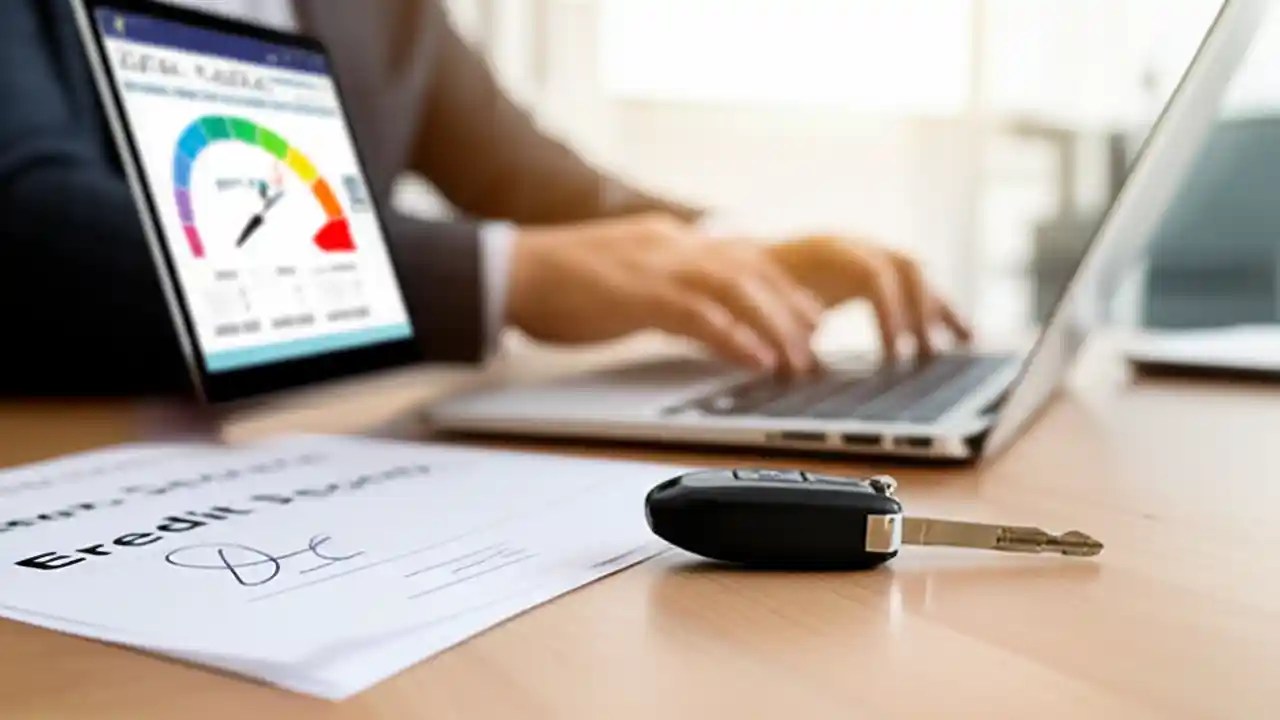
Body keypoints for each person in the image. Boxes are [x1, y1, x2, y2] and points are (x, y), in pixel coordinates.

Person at [0, 0, 968, 396]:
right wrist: (508, 276)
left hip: (304, 454)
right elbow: (34, 225)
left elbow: (532, 180)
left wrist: (737, 251)